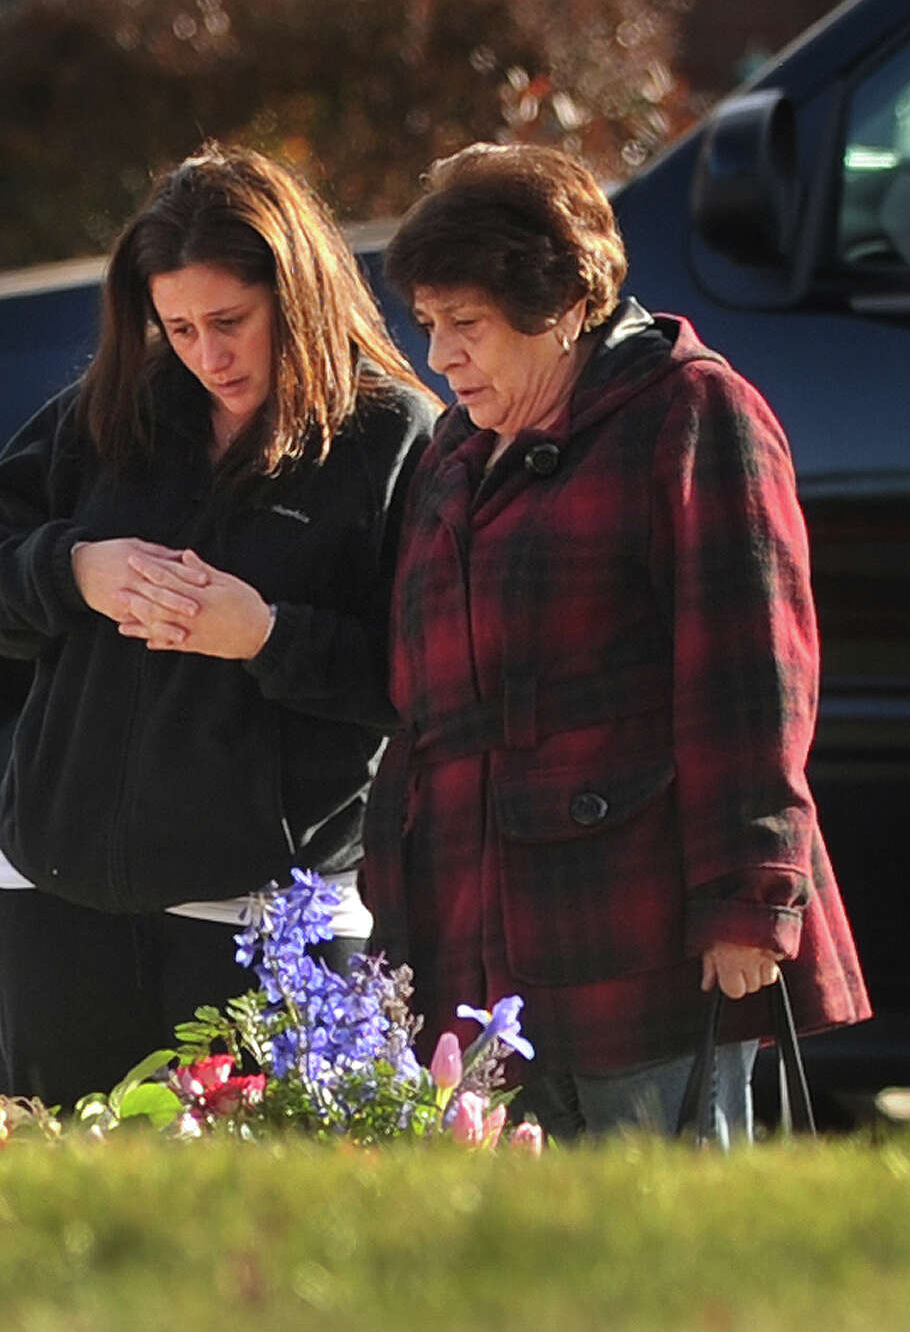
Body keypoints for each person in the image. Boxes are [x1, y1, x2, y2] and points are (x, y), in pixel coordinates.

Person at [363, 143, 871, 1143]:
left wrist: (748, 901)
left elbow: (752, 674)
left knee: (662, 1269)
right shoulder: (453, 450)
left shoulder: (692, 413)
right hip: (468, 947)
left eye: (465, 324)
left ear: (560, 305)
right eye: (428, 325)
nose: (438, 357)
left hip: (641, 941)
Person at [0, 145, 438, 1107]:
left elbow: (419, 679)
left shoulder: (392, 439)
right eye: (177, 327)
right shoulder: (106, 412)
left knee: (263, 1221)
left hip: (267, 913)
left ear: (295, 297)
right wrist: (76, 570)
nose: (207, 357)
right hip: (57, 892)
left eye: (231, 322)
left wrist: (264, 634)